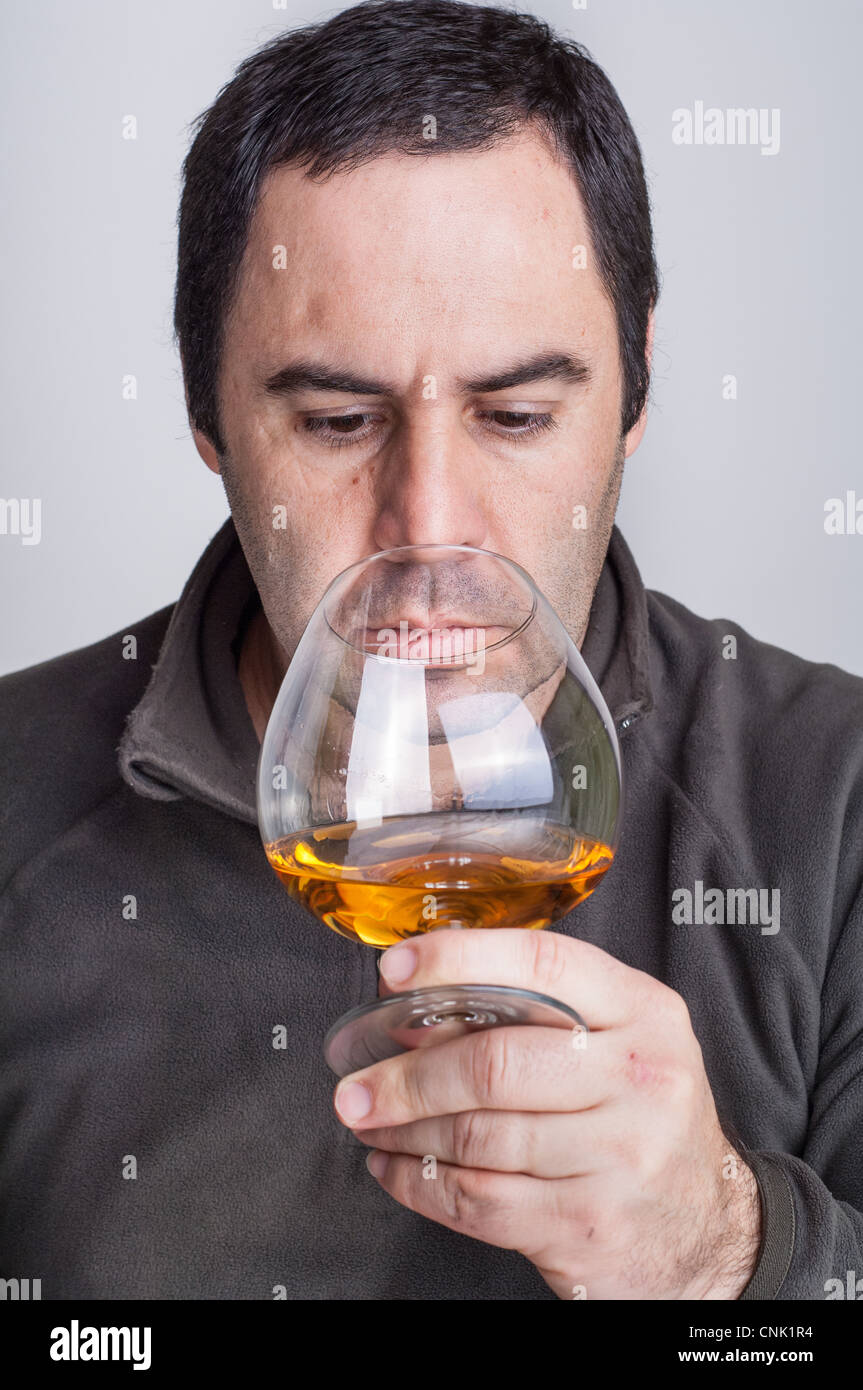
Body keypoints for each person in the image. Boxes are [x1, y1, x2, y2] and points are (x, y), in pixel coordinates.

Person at [1, 0, 861, 1301]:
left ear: (633, 401)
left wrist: (721, 1253)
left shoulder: (838, 803)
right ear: (207, 420)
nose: (434, 529)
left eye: (517, 412)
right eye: (341, 420)